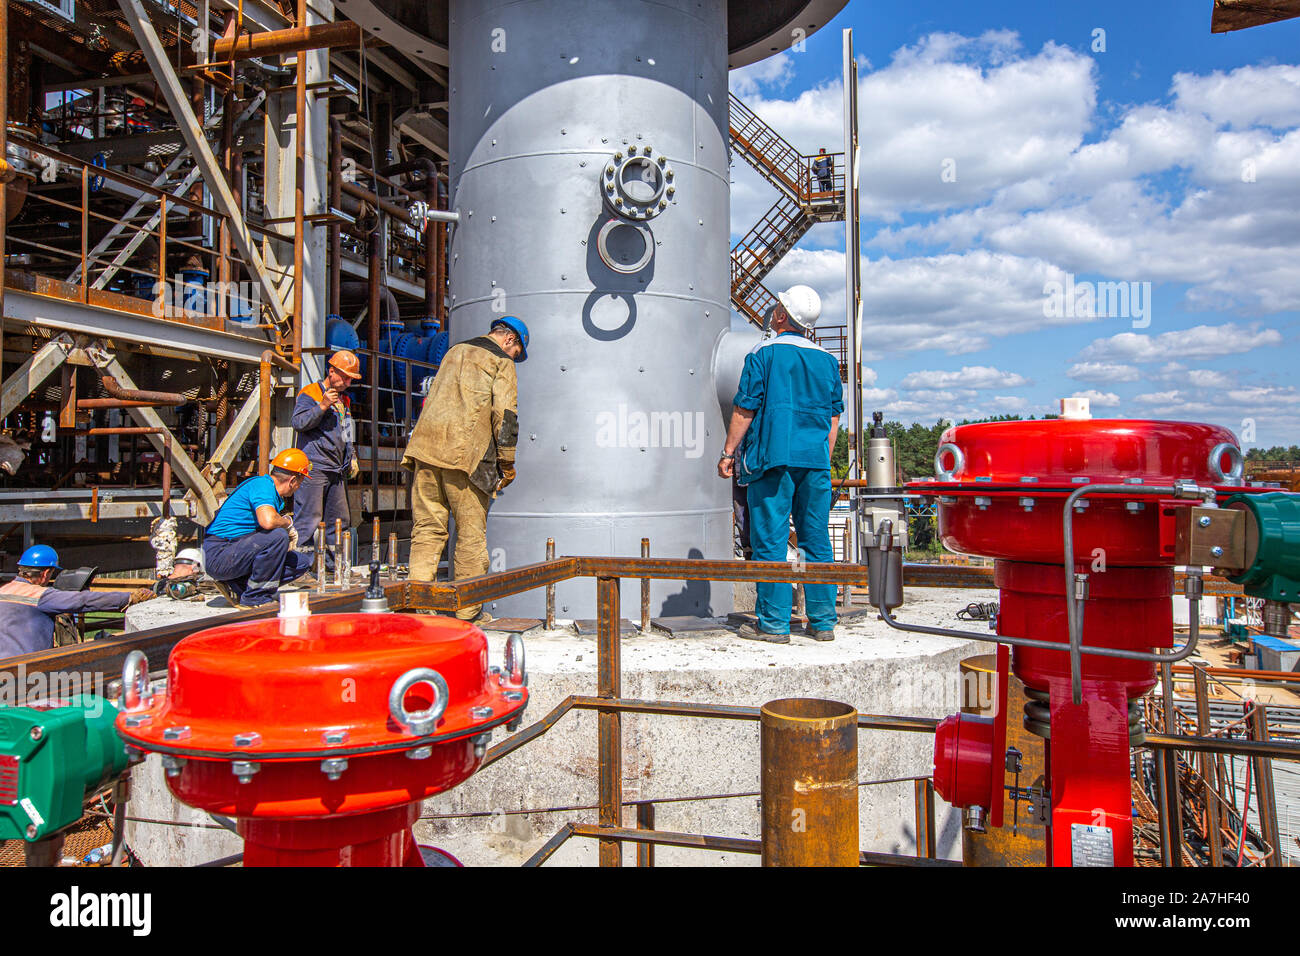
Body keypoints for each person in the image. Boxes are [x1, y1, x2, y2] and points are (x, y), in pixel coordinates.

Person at [718, 285, 842, 643]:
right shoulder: (827, 360)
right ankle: (822, 623)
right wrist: (822, 457)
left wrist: (728, 453)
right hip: (815, 462)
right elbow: (833, 419)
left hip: (773, 460)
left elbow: (745, 408)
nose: (773, 309)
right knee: (816, 540)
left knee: (770, 540)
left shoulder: (763, 353)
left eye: (778, 306)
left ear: (782, 316)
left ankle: (772, 624)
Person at [402, 316, 527, 623]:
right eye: (516, 353)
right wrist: (507, 463)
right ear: (510, 340)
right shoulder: (501, 362)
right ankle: (466, 613)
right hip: (466, 458)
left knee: (427, 532)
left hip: (425, 452)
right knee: (471, 538)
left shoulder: (454, 351)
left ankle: (419, 608)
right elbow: (505, 416)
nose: (515, 359)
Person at [202, 449, 315, 607]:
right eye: (301, 481)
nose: (298, 487)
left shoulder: (270, 492)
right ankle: (256, 597)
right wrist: (288, 525)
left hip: (233, 551)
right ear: (293, 480)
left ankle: (237, 585)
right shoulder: (262, 485)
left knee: (300, 562)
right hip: (219, 554)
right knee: (278, 537)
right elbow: (267, 521)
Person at [0, 546, 154, 658]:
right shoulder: (41, 595)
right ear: (46, 573)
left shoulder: (3, 589)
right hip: (24, 671)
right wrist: (129, 597)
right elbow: (84, 601)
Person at [291, 350, 362, 570]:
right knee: (308, 520)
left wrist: (352, 455)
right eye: (344, 377)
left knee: (339, 521)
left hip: (336, 469)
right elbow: (299, 423)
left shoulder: (344, 401)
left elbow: (347, 429)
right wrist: (321, 406)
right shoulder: (310, 393)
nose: (347, 382)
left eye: (351, 378)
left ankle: (334, 567)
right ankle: (298, 570)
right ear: (331, 372)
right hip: (314, 467)